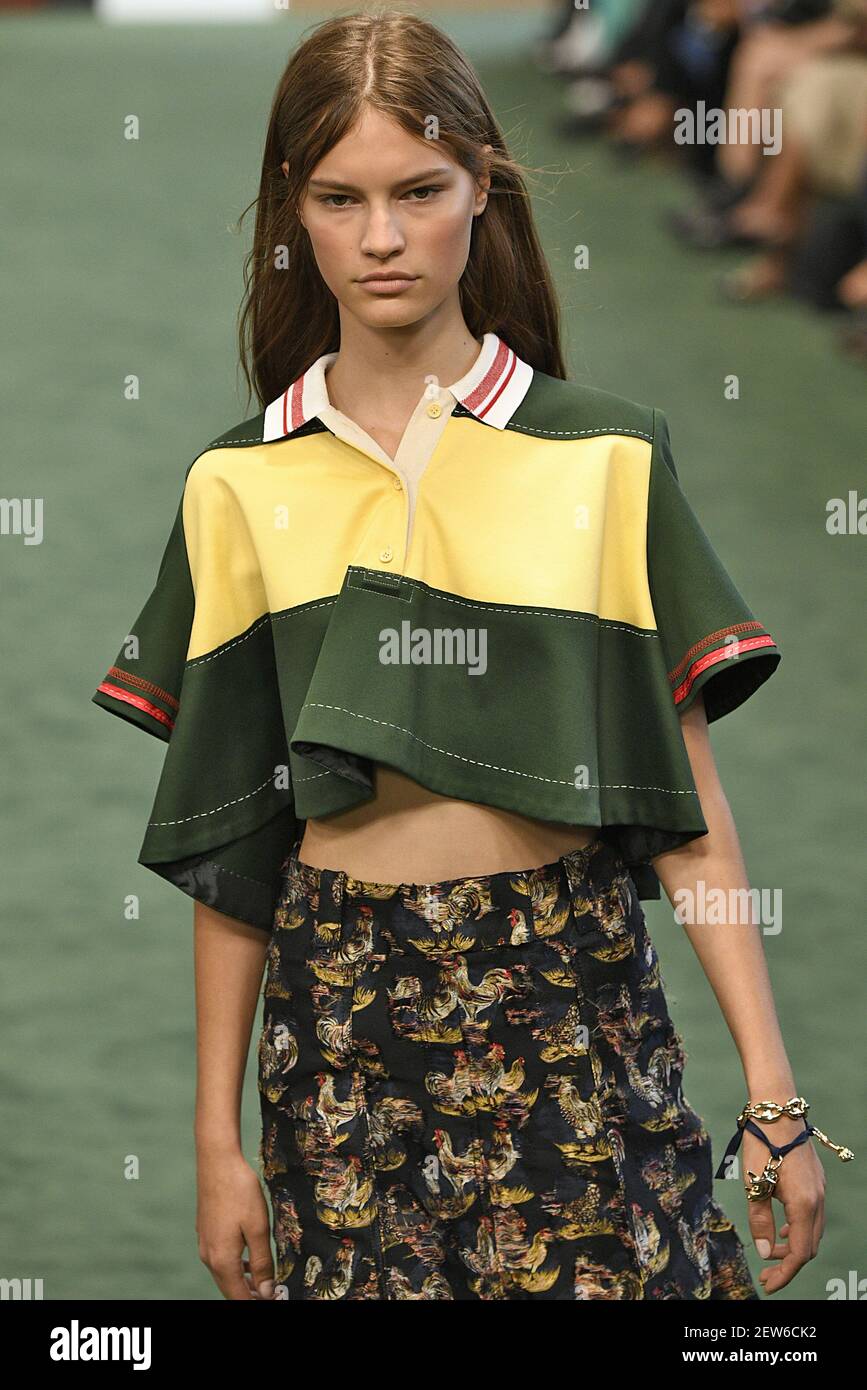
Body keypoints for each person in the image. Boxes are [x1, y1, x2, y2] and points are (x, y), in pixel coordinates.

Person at [92, 9, 851, 1301]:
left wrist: (773, 1097)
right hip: (337, 1022)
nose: (380, 236)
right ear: (293, 207)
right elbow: (237, 848)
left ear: (482, 189)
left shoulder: (607, 457)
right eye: (339, 198)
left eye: (419, 191)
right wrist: (218, 1145)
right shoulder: (234, 487)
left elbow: (691, 810)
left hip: (571, 992)